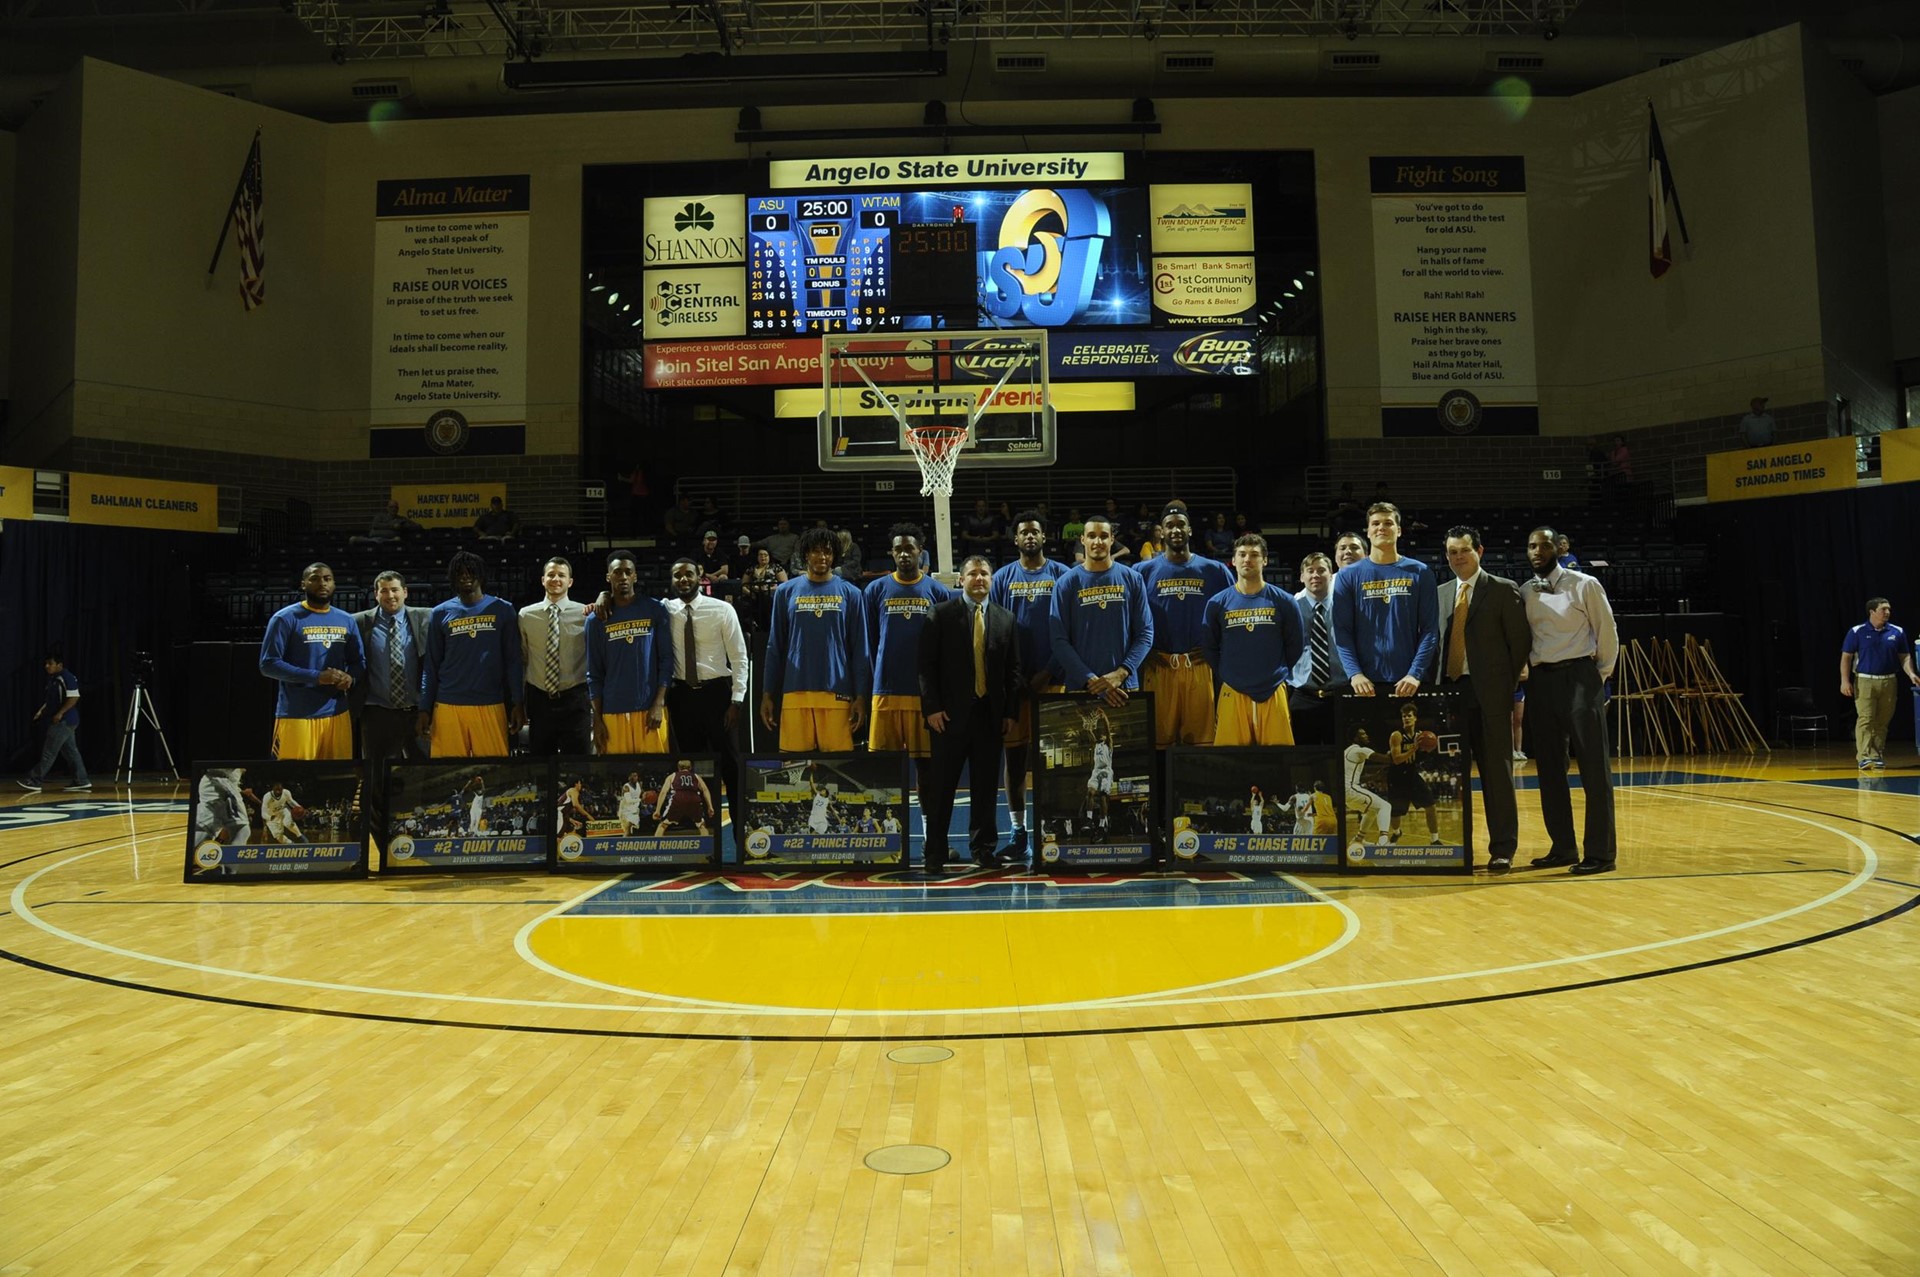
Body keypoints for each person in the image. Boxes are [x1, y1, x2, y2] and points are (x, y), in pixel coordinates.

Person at [1521, 525, 1620, 875]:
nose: (1537, 551)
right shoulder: (1526, 591)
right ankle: (1563, 847)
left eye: (1543, 545)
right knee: (1549, 770)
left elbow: (1607, 632)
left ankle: (1601, 853)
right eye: (1532, 546)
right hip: (1542, 682)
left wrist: (1598, 677)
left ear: (1558, 550)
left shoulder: (1584, 584)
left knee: (1594, 769)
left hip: (1580, 677)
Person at [1436, 526, 1532, 872]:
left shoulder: (1503, 590)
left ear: (1480, 551)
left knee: (1497, 773)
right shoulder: (1442, 593)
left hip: (1490, 693)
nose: (1458, 557)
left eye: (1464, 550)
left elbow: (1519, 643)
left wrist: (1504, 684)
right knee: (1450, 777)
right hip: (1452, 695)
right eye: (1452, 552)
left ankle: (1503, 848)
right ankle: (1456, 849)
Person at [917, 555, 1021, 870]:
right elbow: (925, 667)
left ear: (992, 580)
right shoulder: (940, 614)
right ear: (961, 580)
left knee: (985, 788)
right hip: (947, 717)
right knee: (941, 788)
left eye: (984, 573)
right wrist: (932, 708)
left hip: (989, 717)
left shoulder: (1006, 619)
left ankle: (983, 850)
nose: (979, 578)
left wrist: (1009, 712)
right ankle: (935, 853)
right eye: (972, 573)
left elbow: (1013, 671)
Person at [991, 511, 1071, 864]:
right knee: (1014, 758)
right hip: (1016, 684)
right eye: (1023, 532)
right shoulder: (1002, 578)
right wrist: (1015, 675)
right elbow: (994, 629)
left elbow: (1070, 630)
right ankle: (1018, 832)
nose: (1029, 536)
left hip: (1054, 681)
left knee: (1055, 761)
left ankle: (1051, 829)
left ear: (1044, 537)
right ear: (1015, 539)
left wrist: (1050, 671)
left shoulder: (1063, 576)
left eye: (1035, 531)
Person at [663, 555, 751, 845]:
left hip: (718, 696)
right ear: (672, 580)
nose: (683, 580)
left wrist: (736, 701)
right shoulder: (664, 610)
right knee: (693, 773)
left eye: (688, 574)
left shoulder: (722, 609)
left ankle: (741, 841)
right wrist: (600, 596)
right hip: (681, 698)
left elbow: (739, 657)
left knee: (732, 768)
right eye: (677, 576)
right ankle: (705, 845)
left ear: (699, 576)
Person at [760, 526, 870, 751]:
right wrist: (767, 694)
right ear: (805, 554)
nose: (822, 557)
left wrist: (861, 696)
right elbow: (774, 647)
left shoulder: (852, 594)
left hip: (837, 692)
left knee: (837, 773)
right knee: (796, 771)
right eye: (816, 551)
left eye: (828, 552)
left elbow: (861, 649)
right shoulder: (785, 592)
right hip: (795, 691)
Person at [1139, 507, 1233, 748]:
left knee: (1201, 747)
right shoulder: (1142, 571)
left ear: (1190, 530)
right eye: (1169, 525)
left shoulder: (1215, 570)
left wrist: (1217, 650)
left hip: (1200, 667)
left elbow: (1232, 615)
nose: (1176, 530)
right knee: (1158, 744)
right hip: (1159, 666)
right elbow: (1129, 619)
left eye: (1181, 524)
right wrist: (1142, 651)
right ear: (1161, 532)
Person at [352, 570, 431, 850]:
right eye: (384, 591)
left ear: (406, 592)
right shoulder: (359, 622)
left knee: (424, 774)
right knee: (376, 780)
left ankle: (418, 837)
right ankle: (381, 844)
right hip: (377, 712)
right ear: (376, 594)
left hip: (417, 711)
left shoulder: (426, 617)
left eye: (395, 590)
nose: (390, 595)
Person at [864, 524, 953, 769]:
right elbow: (871, 641)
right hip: (886, 690)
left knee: (925, 766)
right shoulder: (875, 590)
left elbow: (944, 645)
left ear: (920, 552)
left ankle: (926, 811)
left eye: (909, 549)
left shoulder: (937, 591)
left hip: (923, 693)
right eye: (898, 550)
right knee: (885, 768)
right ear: (892, 553)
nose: (904, 554)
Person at [1202, 534, 1303, 746]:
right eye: (1242, 555)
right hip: (1233, 690)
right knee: (1232, 765)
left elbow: (1295, 645)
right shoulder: (1217, 603)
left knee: (1279, 762)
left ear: (1265, 560)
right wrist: (1227, 673)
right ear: (1234, 560)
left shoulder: (1284, 601)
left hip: (1273, 690)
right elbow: (1210, 647)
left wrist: (1276, 673)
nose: (1248, 559)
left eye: (1254, 555)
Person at [420, 550, 523, 758]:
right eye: (459, 572)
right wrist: (424, 708)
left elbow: (514, 660)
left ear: (482, 574)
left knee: (494, 778)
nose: (465, 576)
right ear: (452, 577)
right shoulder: (440, 612)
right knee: (447, 778)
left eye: (471, 571)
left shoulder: (503, 609)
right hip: (448, 703)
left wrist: (518, 702)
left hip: (490, 703)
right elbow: (431, 665)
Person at [1331, 503, 1438, 698]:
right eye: (1375, 523)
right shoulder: (1348, 576)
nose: (1381, 527)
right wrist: (1355, 674)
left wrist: (1416, 673)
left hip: (1410, 683)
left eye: (1388, 523)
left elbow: (1430, 629)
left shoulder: (1421, 572)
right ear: (1368, 531)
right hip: (1364, 684)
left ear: (1398, 531)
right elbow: (1342, 631)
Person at [259, 562, 364, 760]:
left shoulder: (346, 620)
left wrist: (350, 678)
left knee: (337, 780)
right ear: (303, 584)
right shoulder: (285, 618)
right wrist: (317, 677)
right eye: (314, 579)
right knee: (294, 781)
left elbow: (358, 662)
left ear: (333, 584)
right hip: (297, 714)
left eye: (327, 579)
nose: (322, 583)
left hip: (337, 712)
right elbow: (268, 664)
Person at [1049, 515, 1153, 708]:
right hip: (1081, 687)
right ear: (1083, 540)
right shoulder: (1065, 583)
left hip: (1124, 687)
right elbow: (1058, 640)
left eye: (1103, 536)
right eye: (1091, 536)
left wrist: (1121, 673)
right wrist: (1091, 680)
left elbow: (1145, 634)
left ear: (1112, 540)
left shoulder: (1133, 579)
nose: (1098, 541)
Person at [586, 551, 673, 754]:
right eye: (617, 572)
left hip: (650, 711)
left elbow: (666, 661)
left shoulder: (655, 609)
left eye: (628, 572)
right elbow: (593, 674)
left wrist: (659, 703)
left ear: (635, 576)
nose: (623, 577)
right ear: (609, 577)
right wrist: (597, 720)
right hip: (612, 713)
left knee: (655, 779)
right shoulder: (595, 620)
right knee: (616, 781)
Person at [517, 556, 591, 755]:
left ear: (570, 581)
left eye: (561, 575)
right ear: (543, 580)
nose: (556, 579)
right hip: (539, 699)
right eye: (551, 575)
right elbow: (524, 659)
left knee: (578, 767)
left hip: (575, 698)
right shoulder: (525, 615)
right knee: (541, 767)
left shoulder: (585, 614)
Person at [1839, 598, 1920, 770]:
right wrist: (1844, 681)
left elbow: (1904, 656)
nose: (1887, 613)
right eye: (1883, 609)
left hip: (1889, 681)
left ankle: (1876, 755)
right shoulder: (1857, 631)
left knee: (1883, 720)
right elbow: (1846, 656)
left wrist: (1911, 673)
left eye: (1889, 609)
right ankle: (1863, 756)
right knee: (1866, 718)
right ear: (1872, 611)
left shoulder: (1897, 632)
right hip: (1865, 680)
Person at [1288, 552, 1347, 746]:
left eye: (1321, 570)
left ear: (1331, 575)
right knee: (1304, 762)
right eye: (1310, 571)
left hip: (1341, 695)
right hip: (1303, 695)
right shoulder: (1291, 608)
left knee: (1342, 758)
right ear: (1301, 576)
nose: (1315, 575)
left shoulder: (1346, 605)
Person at [19, 651, 90, 792]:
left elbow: (74, 697)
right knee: (71, 752)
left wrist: (60, 713)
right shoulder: (54, 679)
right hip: (64, 720)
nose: (47, 666)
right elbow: (51, 700)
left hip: (64, 720)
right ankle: (81, 780)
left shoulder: (66, 677)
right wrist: (41, 711)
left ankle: (34, 780)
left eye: (50, 664)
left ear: (59, 665)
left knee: (49, 752)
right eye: (46, 664)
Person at [1382, 701, 1442, 846]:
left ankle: (1434, 839)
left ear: (1415, 718)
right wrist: (1414, 748)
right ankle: (1397, 832)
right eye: (1403, 716)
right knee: (1396, 814)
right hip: (1396, 777)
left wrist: (1427, 750)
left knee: (1431, 806)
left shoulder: (1421, 736)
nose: (1406, 718)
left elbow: (1421, 757)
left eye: (1409, 715)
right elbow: (1396, 760)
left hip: (1412, 775)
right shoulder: (1397, 735)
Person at [1343, 726, 1393, 852]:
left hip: (1347, 791)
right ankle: (1383, 841)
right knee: (1385, 806)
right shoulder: (1360, 750)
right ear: (1356, 738)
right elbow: (1387, 759)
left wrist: (1375, 776)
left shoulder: (1347, 751)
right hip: (1351, 790)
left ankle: (1358, 839)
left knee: (1371, 811)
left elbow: (1359, 778)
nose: (1366, 736)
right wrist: (1395, 751)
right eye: (1363, 734)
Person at [653, 758, 716, 835]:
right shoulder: (696, 776)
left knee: (663, 825)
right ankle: (707, 845)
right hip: (694, 798)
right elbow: (705, 790)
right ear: (690, 768)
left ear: (678, 767)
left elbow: (663, 792)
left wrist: (657, 810)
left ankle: (656, 845)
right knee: (701, 825)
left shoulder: (672, 776)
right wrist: (710, 806)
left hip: (678, 799)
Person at [352, 499, 420, 545]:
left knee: (397, 539)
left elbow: (417, 526)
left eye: (396, 507)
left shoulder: (401, 519)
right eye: (391, 507)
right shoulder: (380, 516)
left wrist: (403, 526)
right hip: (374, 539)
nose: (394, 509)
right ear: (387, 508)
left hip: (390, 541)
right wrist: (392, 527)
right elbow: (375, 525)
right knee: (353, 539)